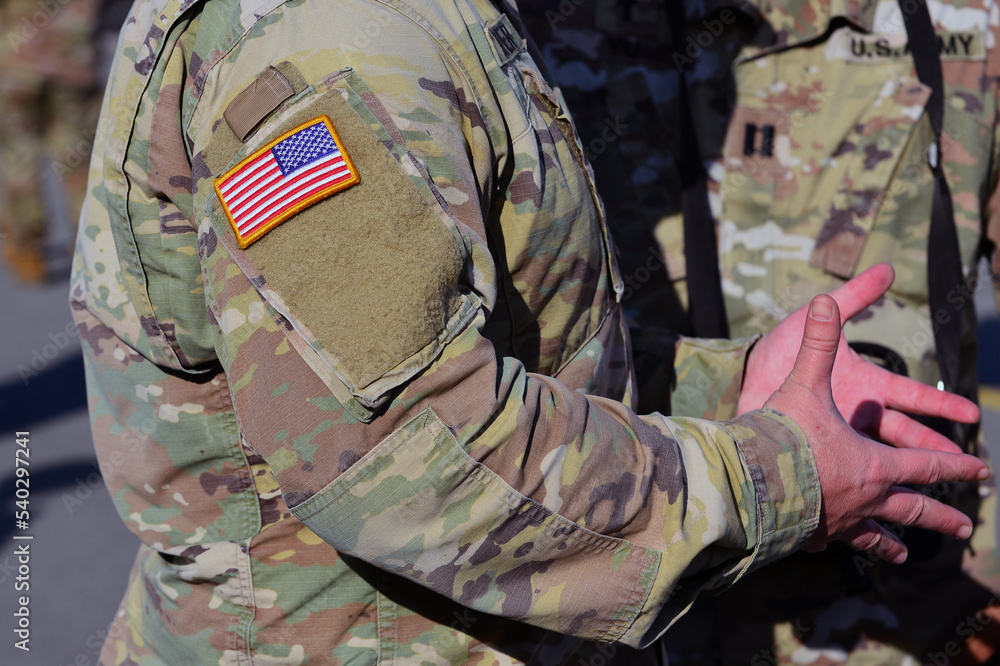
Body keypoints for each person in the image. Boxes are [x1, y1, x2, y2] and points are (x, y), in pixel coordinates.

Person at [71, 0, 987, 662]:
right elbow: (409, 455)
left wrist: (729, 386)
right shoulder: (338, 39)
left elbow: (488, 350)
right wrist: (776, 481)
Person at [519, 0, 1000, 662]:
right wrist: (732, 379)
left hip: (901, 612)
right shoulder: (537, 26)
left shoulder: (969, 27)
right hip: (624, 613)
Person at [0, 0, 102, 283]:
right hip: (71, 59)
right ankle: (90, 242)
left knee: (18, 157)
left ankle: (28, 249)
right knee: (78, 156)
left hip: (17, 62)